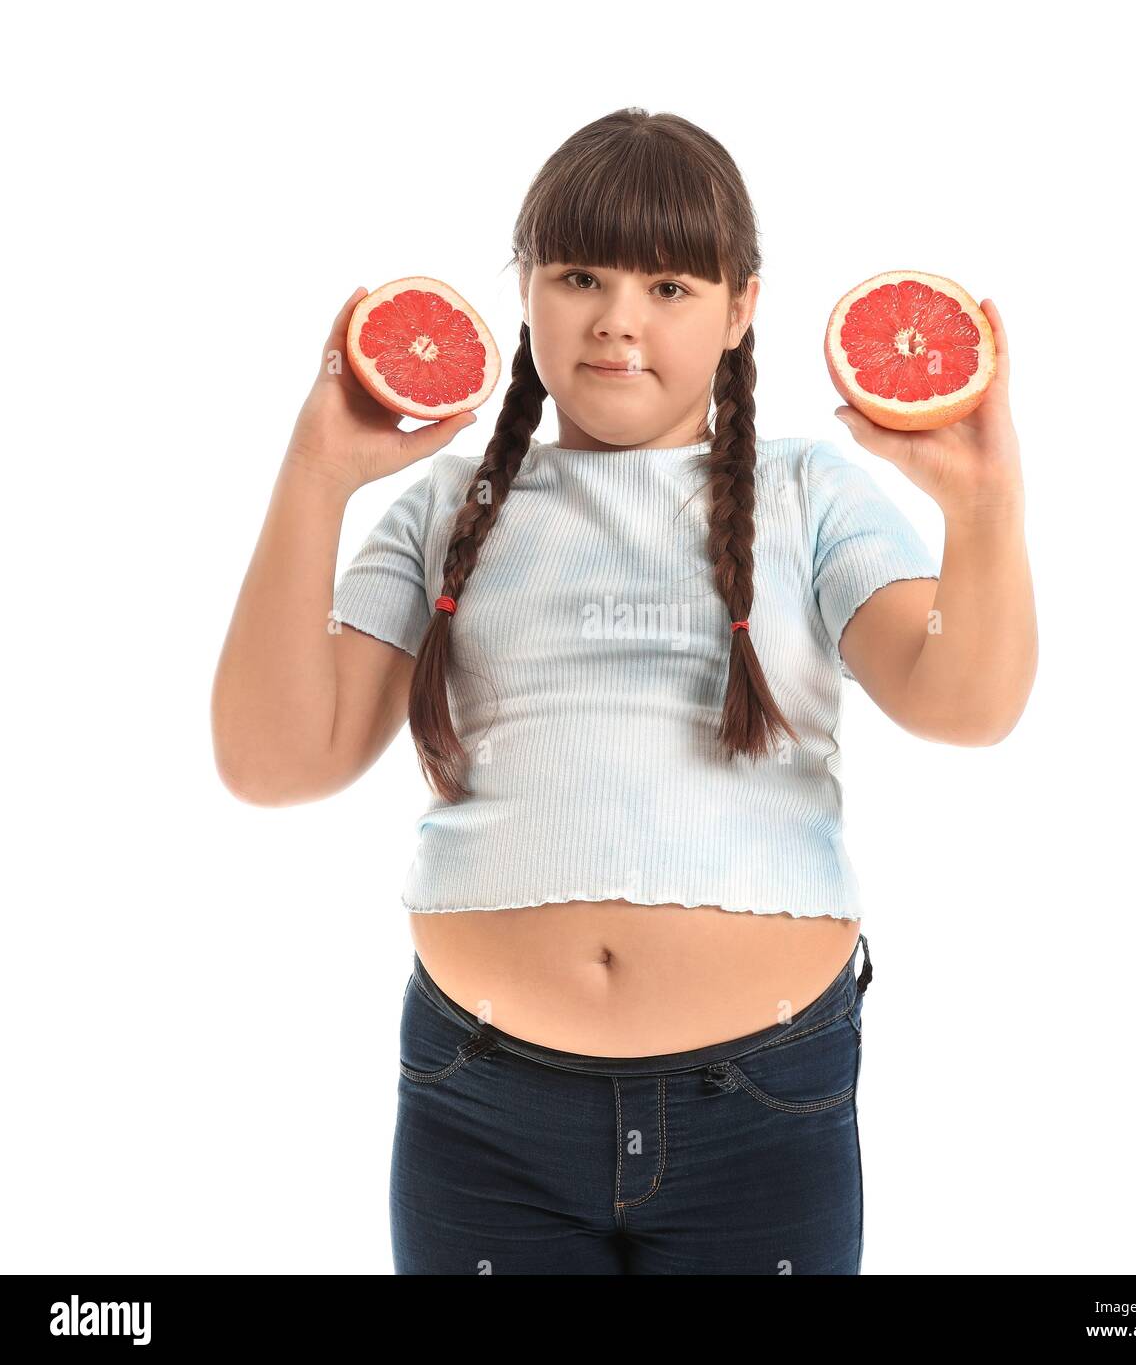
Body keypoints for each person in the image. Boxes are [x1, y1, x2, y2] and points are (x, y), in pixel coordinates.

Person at [211, 107, 1036, 1275]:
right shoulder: (449, 511)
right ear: (527, 290)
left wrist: (982, 509)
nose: (615, 320)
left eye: (669, 287)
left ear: (742, 306)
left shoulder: (806, 492)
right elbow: (273, 760)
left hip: (761, 1106)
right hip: (480, 1107)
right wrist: (316, 473)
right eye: (580, 274)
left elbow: (965, 705)